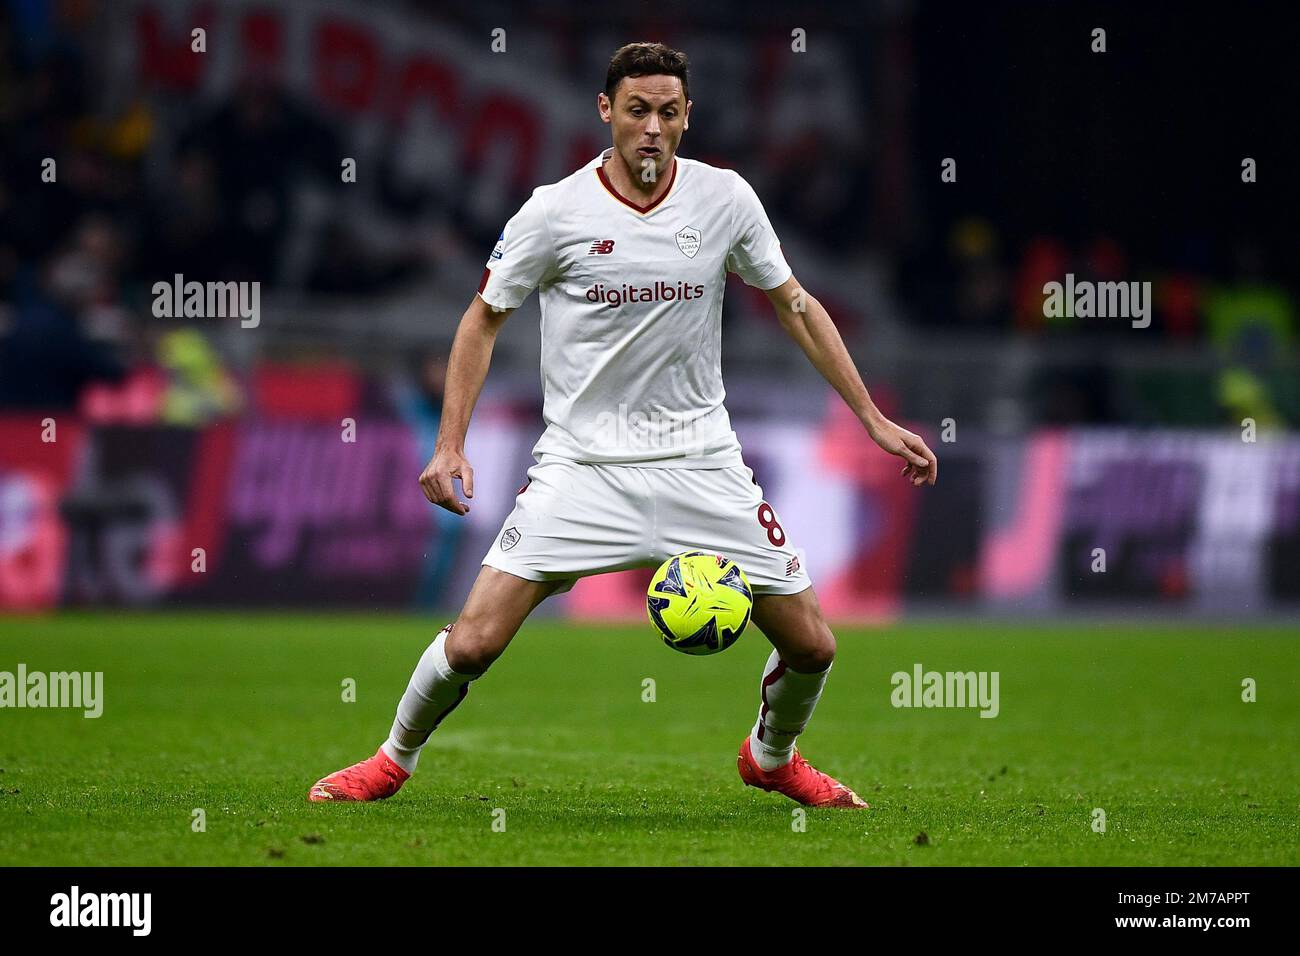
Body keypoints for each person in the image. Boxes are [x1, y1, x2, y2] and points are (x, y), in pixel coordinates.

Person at [310, 42, 936, 809]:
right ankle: (390, 761)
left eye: (668, 112)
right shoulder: (554, 211)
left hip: (702, 463)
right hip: (583, 470)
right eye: (637, 110)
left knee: (813, 645)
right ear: (606, 110)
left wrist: (871, 418)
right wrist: (450, 443)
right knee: (473, 642)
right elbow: (483, 319)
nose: (652, 127)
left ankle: (771, 757)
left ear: (687, 117)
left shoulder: (726, 200)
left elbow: (795, 306)